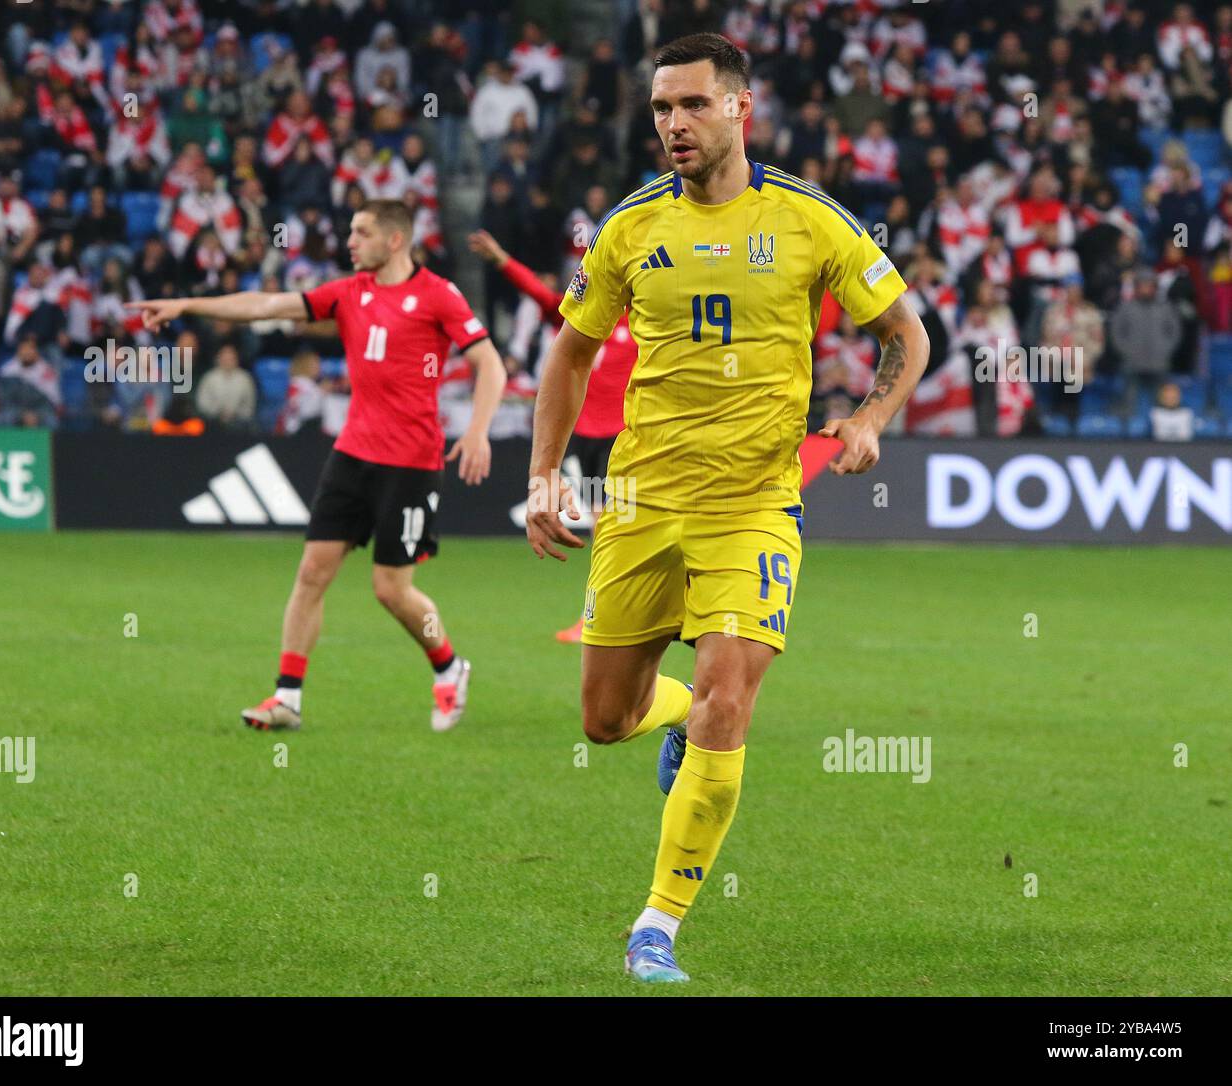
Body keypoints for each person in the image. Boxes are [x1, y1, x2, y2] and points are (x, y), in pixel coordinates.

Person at [525, 34, 928, 984]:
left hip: (753, 503)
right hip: (642, 498)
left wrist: (870, 417)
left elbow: (904, 332)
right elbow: (568, 356)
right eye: (663, 108)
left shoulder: (805, 218)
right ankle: (666, 717)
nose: (674, 124)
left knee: (729, 699)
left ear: (741, 108)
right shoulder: (628, 228)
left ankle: (657, 924)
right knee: (603, 722)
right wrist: (545, 475)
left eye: (694, 105)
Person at [128, 200, 507, 733]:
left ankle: (448, 667)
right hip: (352, 454)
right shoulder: (347, 293)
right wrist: (188, 304)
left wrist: (477, 431)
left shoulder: (438, 295)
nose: (349, 241)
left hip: (411, 464)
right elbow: (264, 305)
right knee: (311, 573)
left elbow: (488, 362)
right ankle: (287, 699)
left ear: (395, 240)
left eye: (362, 232)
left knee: (391, 589)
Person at [467, 227, 637, 644]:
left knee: (617, 527)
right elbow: (541, 295)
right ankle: (603, 618)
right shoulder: (585, 318)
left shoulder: (647, 324)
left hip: (625, 437)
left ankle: (614, 618)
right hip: (586, 438)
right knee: (608, 526)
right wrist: (501, 259)